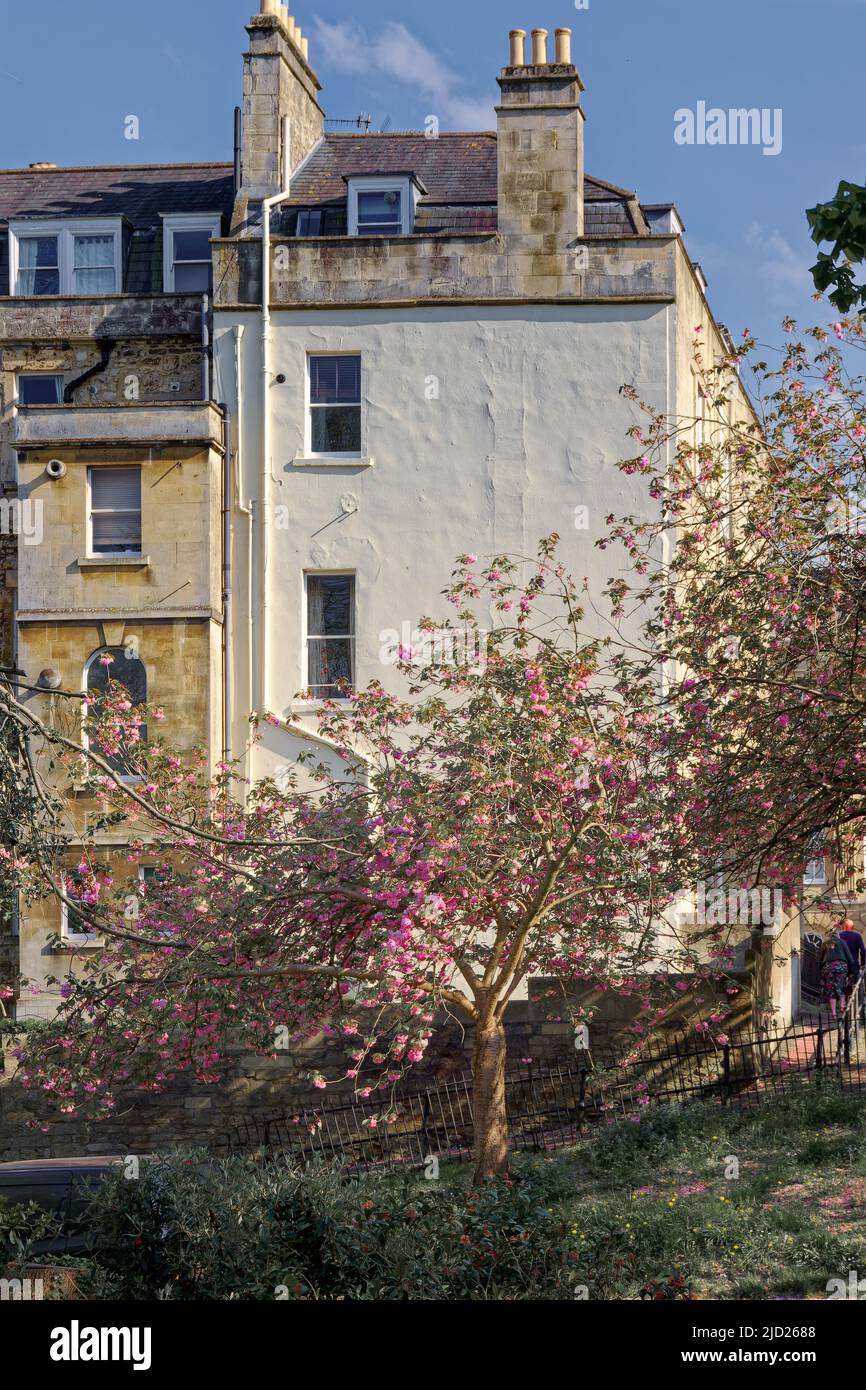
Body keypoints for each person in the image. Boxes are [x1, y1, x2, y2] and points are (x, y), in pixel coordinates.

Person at [819, 930, 857, 1022]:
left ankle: (834, 1014)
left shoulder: (825, 944)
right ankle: (842, 1007)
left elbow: (820, 959)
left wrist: (821, 973)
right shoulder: (842, 942)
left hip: (828, 967)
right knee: (841, 986)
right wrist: (853, 971)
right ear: (838, 936)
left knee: (830, 990)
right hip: (841, 966)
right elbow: (849, 956)